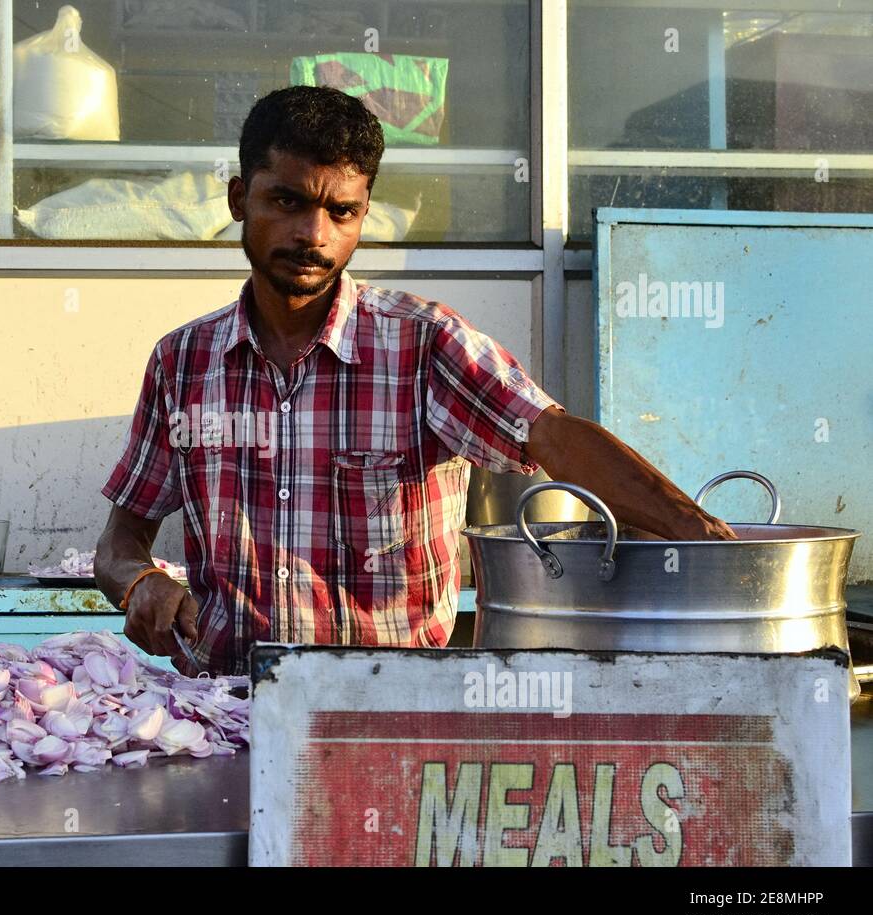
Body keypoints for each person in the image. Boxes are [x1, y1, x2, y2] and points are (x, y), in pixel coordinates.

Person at [93, 86, 735, 676]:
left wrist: (709, 546)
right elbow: (122, 539)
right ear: (239, 199)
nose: (313, 235)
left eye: (340, 212)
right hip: (228, 712)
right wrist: (138, 581)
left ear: (364, 214)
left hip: (388, 717)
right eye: (286, 201)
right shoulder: (182, 363)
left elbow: (555, 439)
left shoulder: (425, 345)